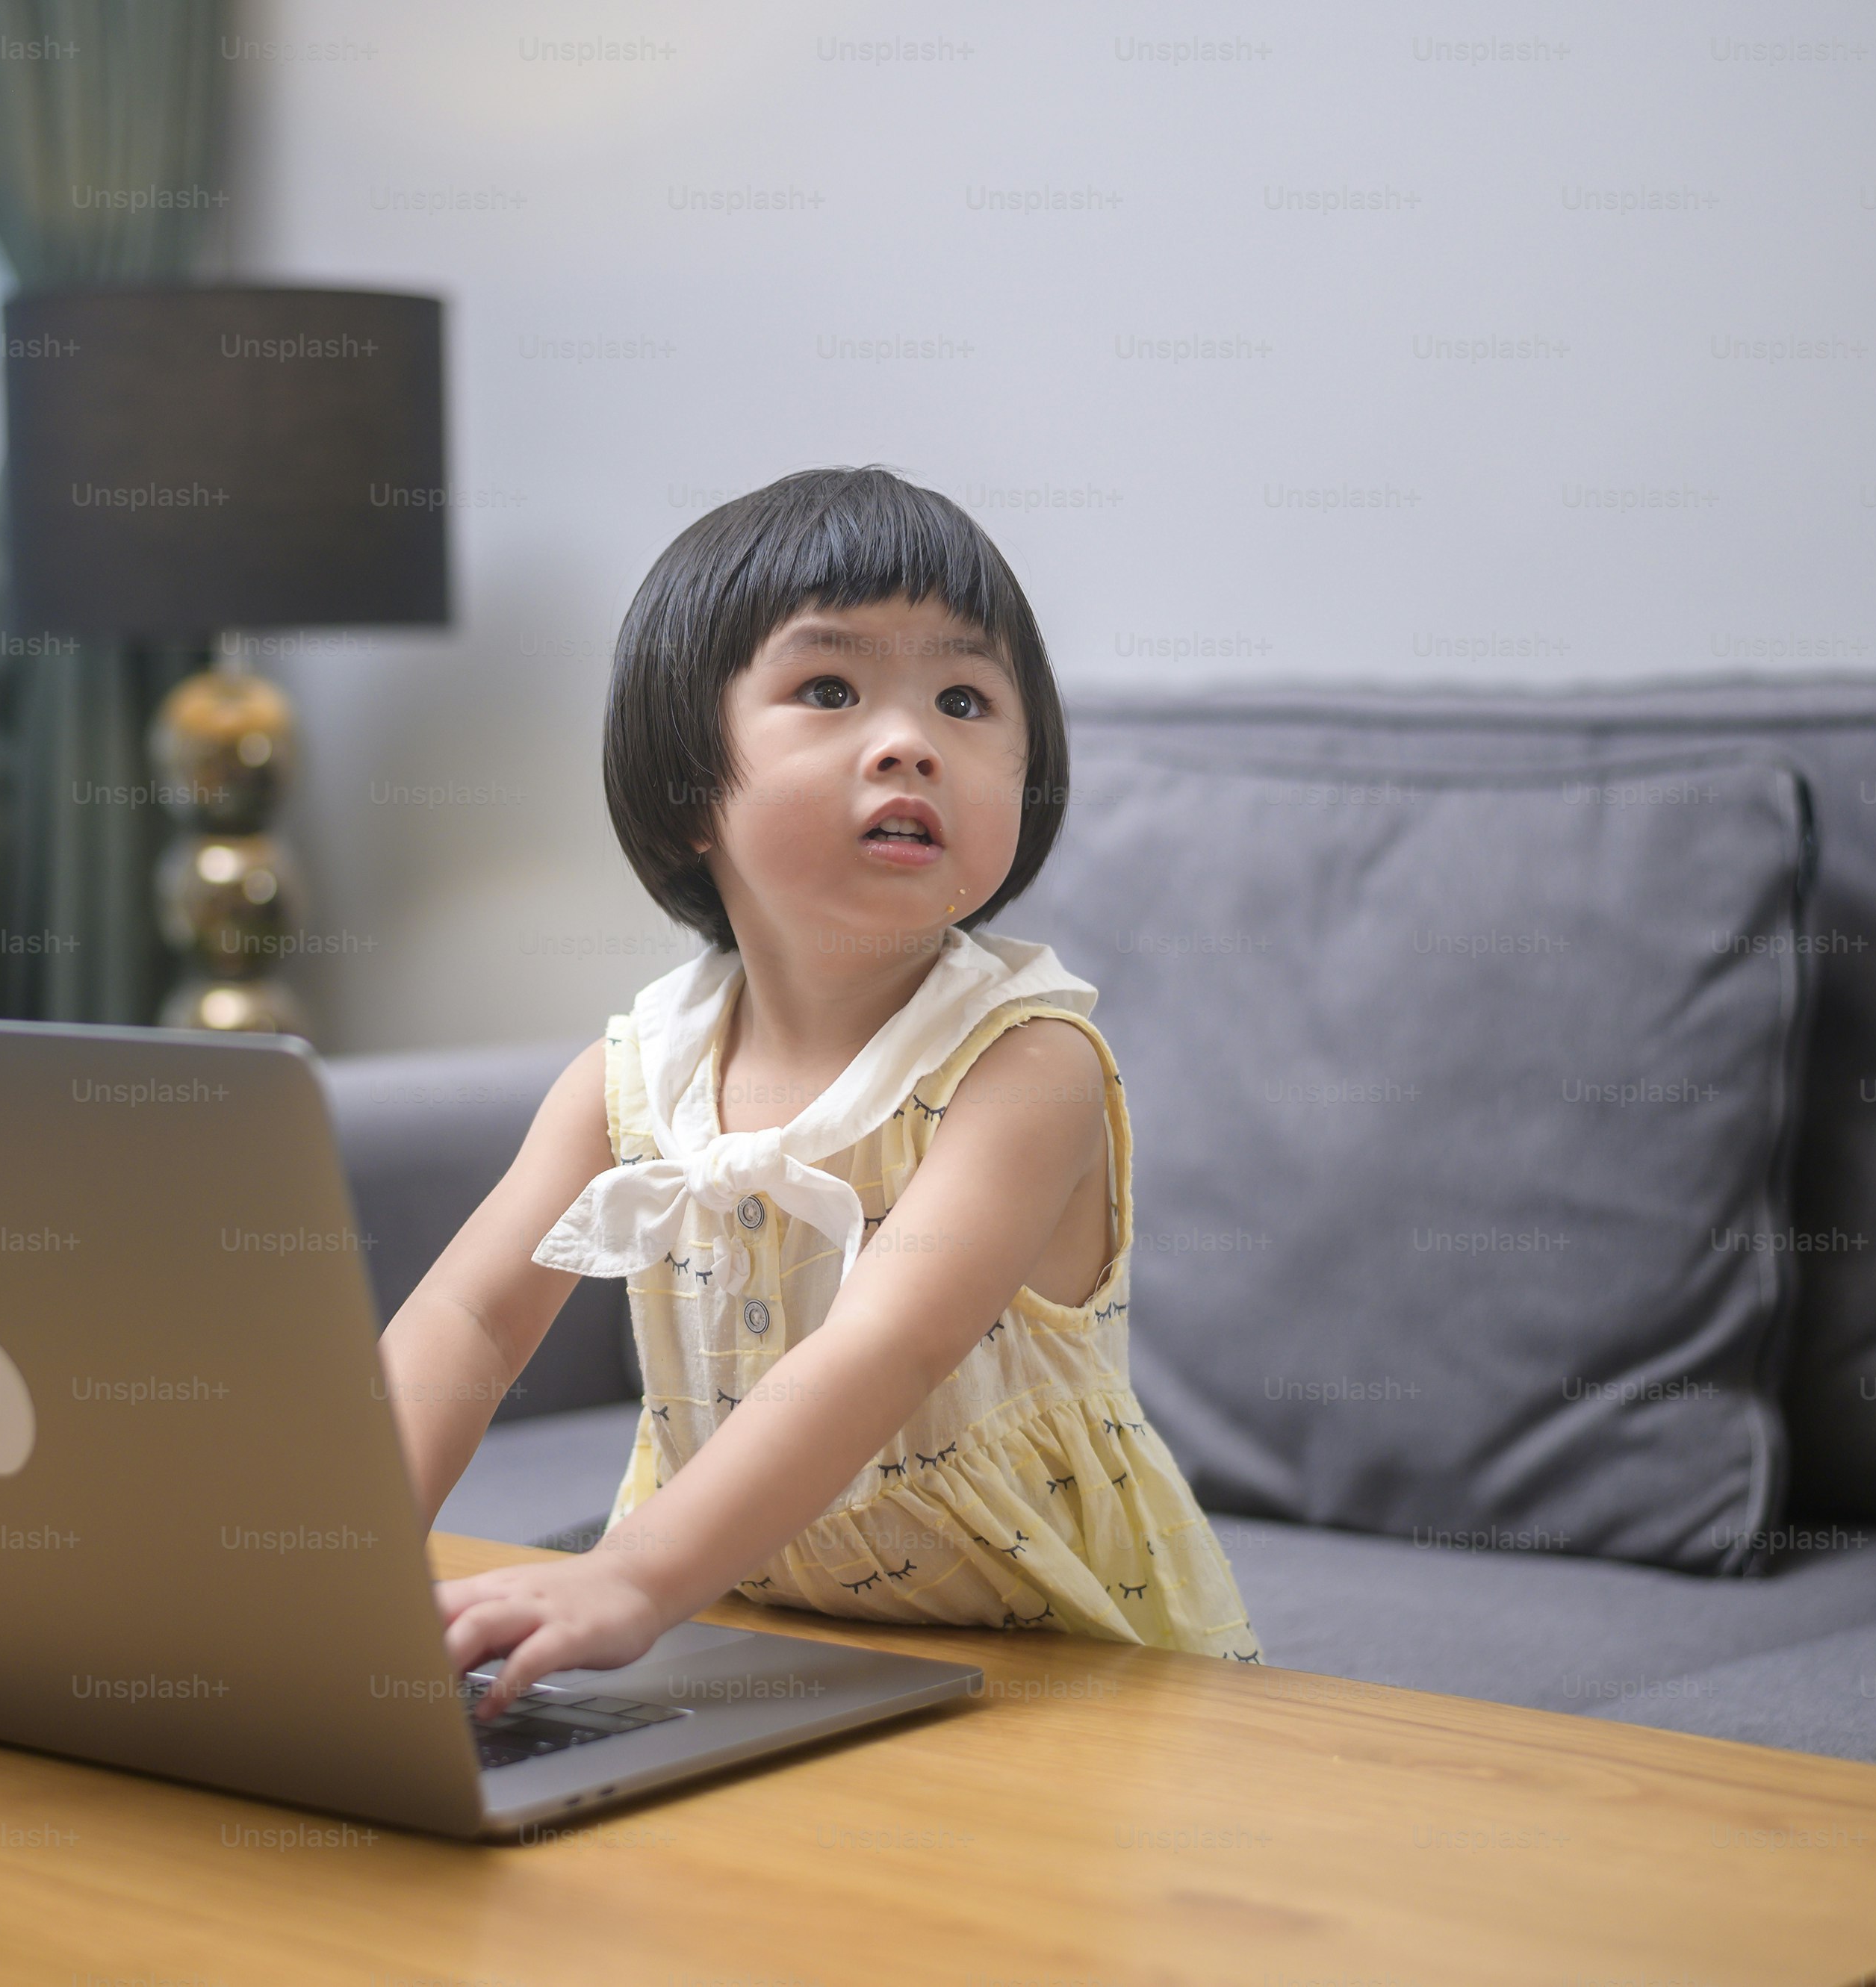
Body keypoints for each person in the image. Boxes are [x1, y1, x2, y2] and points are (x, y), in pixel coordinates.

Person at [375, 465, 1261, 1720]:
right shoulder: (631, 1077)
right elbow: (469, 1321)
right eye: (830, 689)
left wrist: (626, 1578)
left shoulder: (1027, 1066)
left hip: (1055, 1670)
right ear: (691, 787)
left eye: (964, 699)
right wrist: (338, 1555)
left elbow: (882, 1346)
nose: (908, 740)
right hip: (741, 1628)